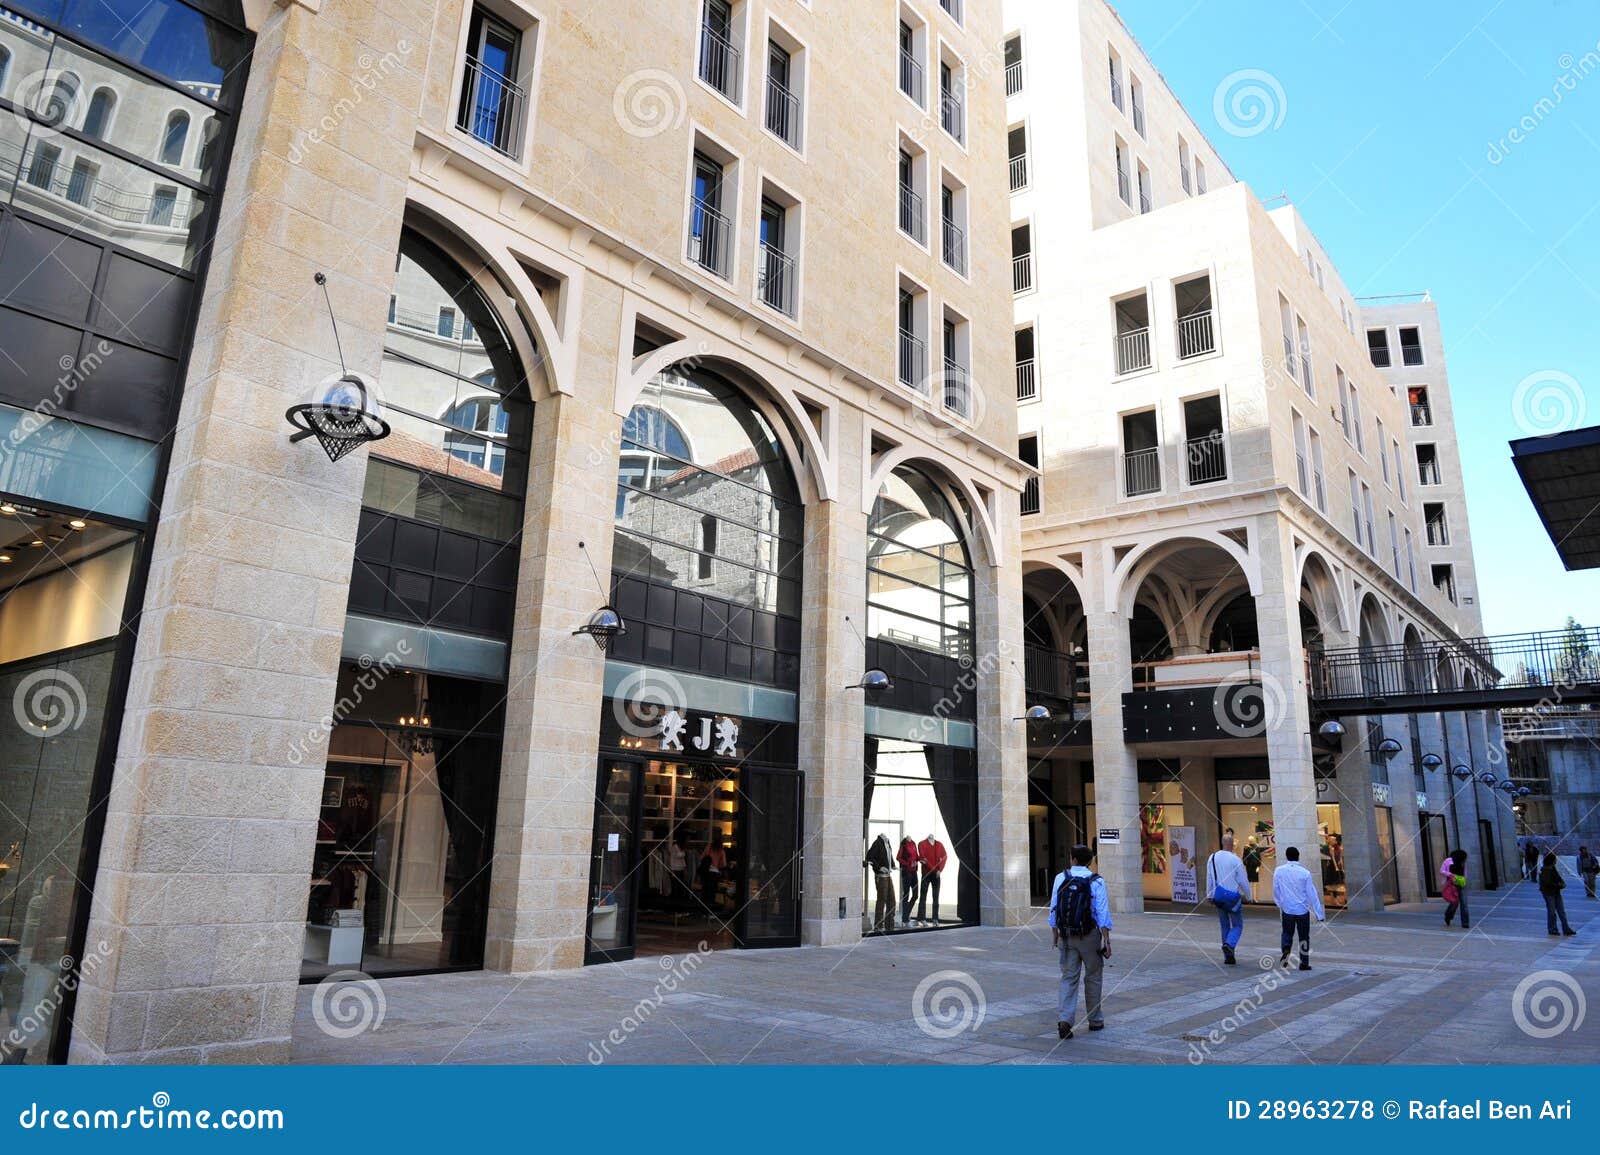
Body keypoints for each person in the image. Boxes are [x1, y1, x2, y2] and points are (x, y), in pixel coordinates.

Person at [1048, 844, 1112, 1039]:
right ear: (1090, 861)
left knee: (1068, 977)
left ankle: (1065, 1020)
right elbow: (1102, 912)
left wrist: (1055, 934)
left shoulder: (1061, 878)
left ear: (1072, 859)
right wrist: (1107, 941)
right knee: (1093, 977)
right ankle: (1095, 1020)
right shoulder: (1097, 881)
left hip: (1067, 935)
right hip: (1090, 935)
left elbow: (1053, 908)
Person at [1270, 845, 1325, 970]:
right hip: (1302, 910)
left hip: (1287, 909)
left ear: (1286, 857)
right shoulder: (1305, 873)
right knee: (1304, 936)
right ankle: (1304, 963)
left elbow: (1276, 890)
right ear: (1298, 857)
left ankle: (1285, 950)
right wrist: (1319, 914)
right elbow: (1312, 893)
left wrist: (1280, 903)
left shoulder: (1279, 870)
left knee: (1287, 933)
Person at [1206, 832, 1252, 964]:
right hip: (1232, 898)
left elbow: (1209, 877)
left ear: (1222, 843)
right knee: (1237, 925)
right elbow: (1243, 880)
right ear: (1232, 845)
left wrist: (1209, 894)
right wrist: (1248, 896)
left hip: (1219, 897)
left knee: (1224, 925)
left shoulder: (1212, 857)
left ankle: (1228, 957)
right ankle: (1230, 945)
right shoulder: (1235, 859)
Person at [1540, 852, 1578, 936]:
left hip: (1556, 892)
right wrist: (1559, 885)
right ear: (1551, 860)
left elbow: (1558, 877)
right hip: (1549, 893)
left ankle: (1566, 929)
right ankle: (1552, 929)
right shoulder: (1545, 870)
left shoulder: (1553, 868)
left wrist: (1562, 882)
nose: (1556, 861)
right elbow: (1547, 884)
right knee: (1552, 912)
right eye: (1555, 859)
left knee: (1561, 911)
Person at [864, 833, 896, 932]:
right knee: (881, 900)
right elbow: (870, 857)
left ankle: (889, 925)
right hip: (881, 876)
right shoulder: (877, 843)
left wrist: (893, 865)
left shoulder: (887, 842)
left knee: (892, 900)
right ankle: (878, 925)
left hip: (888, 875)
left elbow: (889, 856)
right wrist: (879, 867)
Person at [917, 833, 948, 923]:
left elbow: (945, 856)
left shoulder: (939, 844)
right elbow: (923, 858)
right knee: (923, 896)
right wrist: (936, 870)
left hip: (937, 875)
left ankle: (935, 918)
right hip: (926, 874)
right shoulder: (921, 844)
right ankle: (922, 918)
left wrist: (940, 870)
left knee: (936, 896)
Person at [1442, 849, 1469, 929]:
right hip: (1452, 884)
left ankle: (1465, 923)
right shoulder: (1448, 860)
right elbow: (1442, 871)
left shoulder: (1463, 861)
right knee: (1454, 903)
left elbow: (1465, 872)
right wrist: (1451, 875)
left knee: (1464, 904)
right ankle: (1448, 915)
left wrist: (1464, 880)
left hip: (1461, 883)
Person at [896, 835, 920, 926]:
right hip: (906, 873)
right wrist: (907, 864)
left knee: (915, 895)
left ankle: (906, 915)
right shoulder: (903, 845)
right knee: (906, 895)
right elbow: (898, 857)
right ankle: (905, 919)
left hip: (914, 872)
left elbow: (916, 856)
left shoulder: (913, 843)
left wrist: (921, 859)